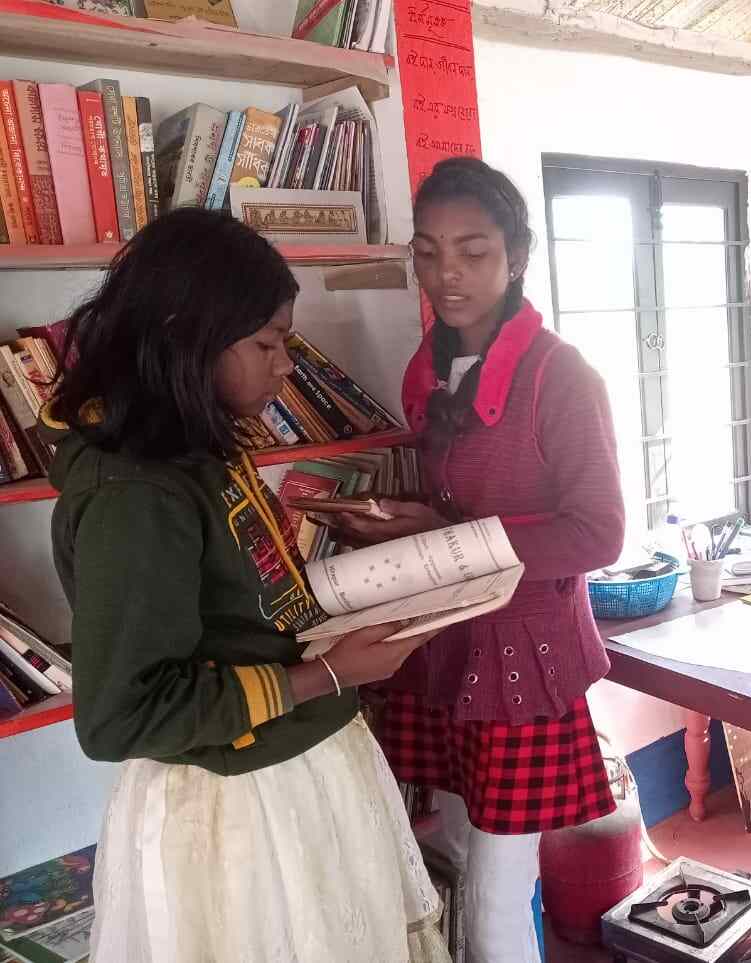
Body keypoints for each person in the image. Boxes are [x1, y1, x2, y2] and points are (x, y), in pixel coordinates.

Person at [41, 208, 451, 963]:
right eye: (267, 343)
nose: (286, 366)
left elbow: (239, 607)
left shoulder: (196, 450)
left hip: (296, 771)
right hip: (238, 812)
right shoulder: (136, 496)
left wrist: (351, 589)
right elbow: (121, 715)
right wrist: (330, 672)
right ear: (186, 337)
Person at [331, 157, 626, 963]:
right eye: (428, 253)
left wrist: (447, 535)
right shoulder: (426, 371)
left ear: (517, 257)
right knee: (452, 860)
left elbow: (599, 533)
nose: (447, 274)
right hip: (446, 642)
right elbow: (452, 506)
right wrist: (402, 522)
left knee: (496, 901)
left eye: (473, 250)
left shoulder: (562, 376)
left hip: (523, 659)